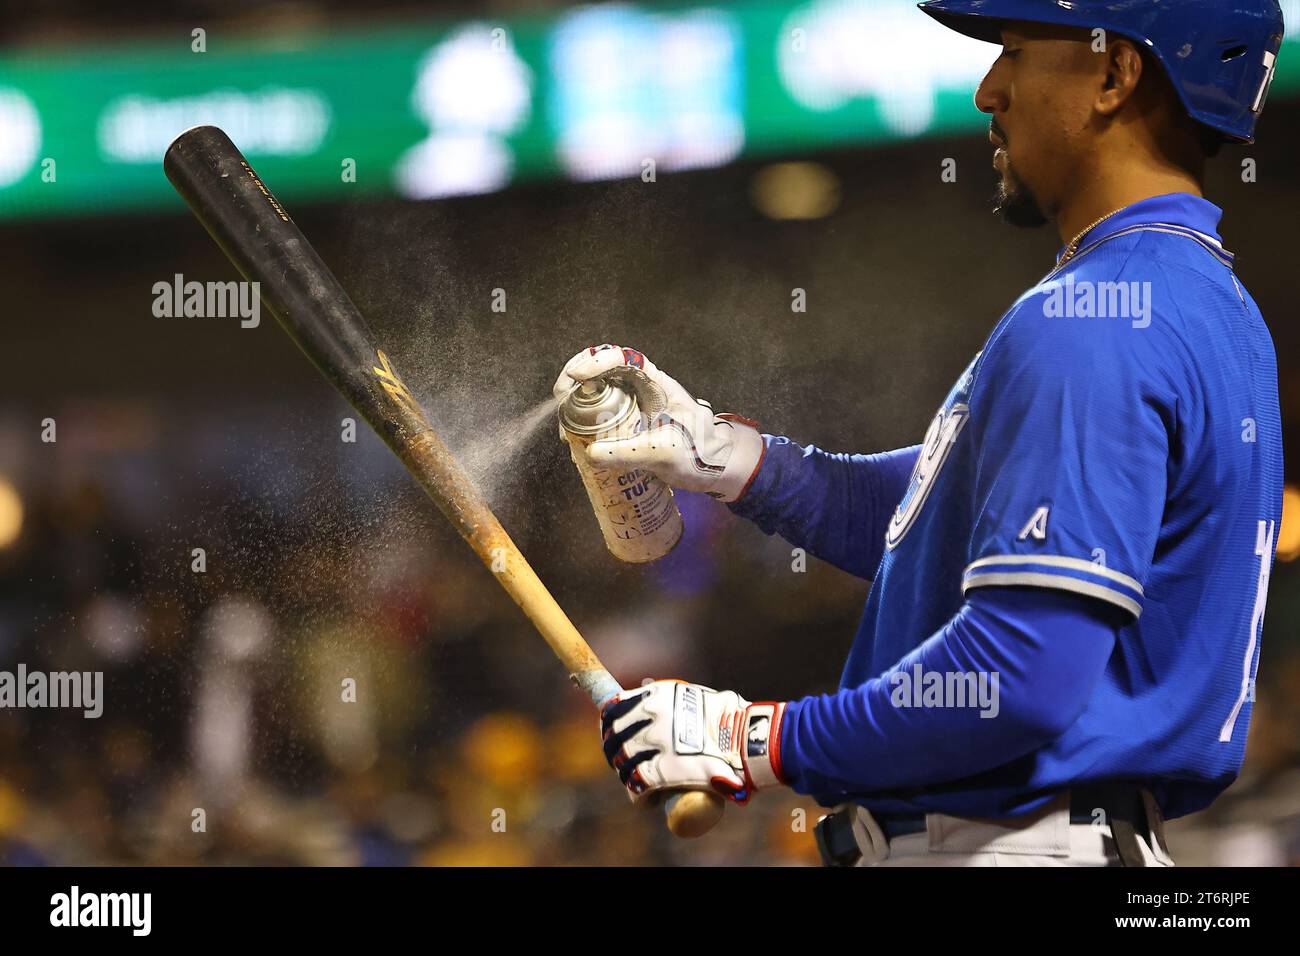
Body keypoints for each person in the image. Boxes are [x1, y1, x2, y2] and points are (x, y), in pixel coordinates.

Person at [554, 0, 1286, 866]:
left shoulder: (1092, 322)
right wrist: (731, 459)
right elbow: (933, 526)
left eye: (1014, 50)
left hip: (1007, 846)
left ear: (1114, 74)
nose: (988, 90)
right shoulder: (1194, 301)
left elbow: (1016, 680)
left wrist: (755, 737)